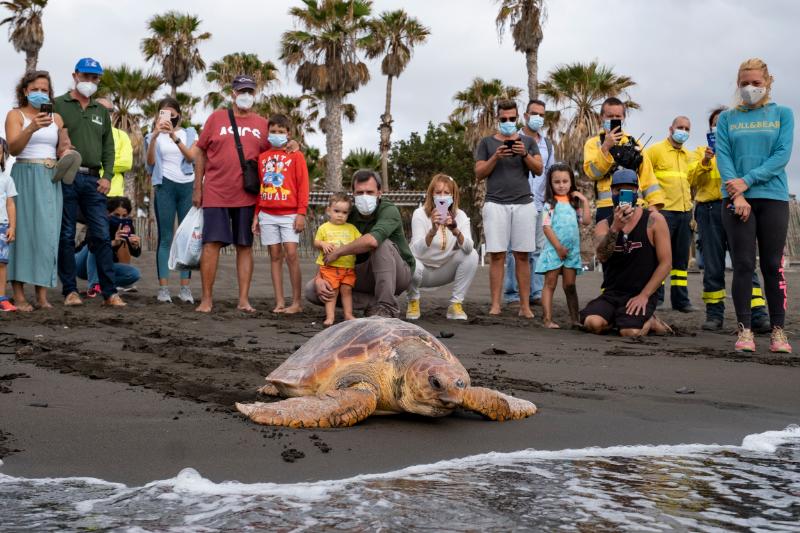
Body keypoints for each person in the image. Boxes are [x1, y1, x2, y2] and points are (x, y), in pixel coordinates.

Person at [717, 58, 794, 353]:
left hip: (772, 197)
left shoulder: (783, 114)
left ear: (768, 82)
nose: (750, 88)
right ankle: (745, 330)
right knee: (744, 266)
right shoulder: (727, 119)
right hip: (736, 198)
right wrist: (737, 195)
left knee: (773, 266)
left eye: (756, 83)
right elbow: (724, 158)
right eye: (744, 84)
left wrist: (747, 182)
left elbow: (781, 155)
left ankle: (777, 332)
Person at [688, 107, 770, 333]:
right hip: (709, 209)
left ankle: (758, 314)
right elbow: (691, 179)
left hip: (737, 205)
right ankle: (714, 314)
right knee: (713, 265)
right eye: (715, 123)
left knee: (745, 262)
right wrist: (705, 161)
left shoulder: (740, 151)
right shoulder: (698, 152)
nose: (719, 126)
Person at [193, 75, 267, 313]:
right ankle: (206, 299)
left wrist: (292, 145)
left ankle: (244, 299)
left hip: (247, 195)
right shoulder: (216, 118)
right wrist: (198, 187)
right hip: (216, 191)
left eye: (250, 91)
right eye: (241, 91)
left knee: (245, 245)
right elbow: (200, 153)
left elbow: (271, 155)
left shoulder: (262, 124)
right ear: (233, 93)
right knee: (211, 243)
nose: (246, 95)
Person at [55, 57, 125, 307]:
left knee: (102, 234)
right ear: (75, 76)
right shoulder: (58, 105)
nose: (90, 81)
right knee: (66, 234)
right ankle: (70, 291)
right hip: (67, 177)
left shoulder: (100, 111)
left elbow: (109, 147)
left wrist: (107, 177)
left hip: (95, 180)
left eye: (95, 78)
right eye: (86, 76)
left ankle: (109, 293)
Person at [4, 70, 76, 311]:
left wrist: (67, 151)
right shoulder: (15, 115)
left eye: (44, 90)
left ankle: (42, 294)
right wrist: (31, 127)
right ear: (25, 91)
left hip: (51, 177)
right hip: (24, 173)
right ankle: (19, 294)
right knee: (22, 234)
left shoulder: (56, 119)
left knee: (48, 235)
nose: (39, 93)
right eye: (34, 89)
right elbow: (13, 149)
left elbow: (63, 146)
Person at [305, 170, 414, 318]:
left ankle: (387, 307)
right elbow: (330, 247)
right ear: (353, 194)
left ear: (379, 193)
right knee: (312, 290)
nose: (365, 196)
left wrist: (339, 251)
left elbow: (372, 241)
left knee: (381, 244)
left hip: (397, 273)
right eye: (360, 192)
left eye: (370, 192)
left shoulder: (389, 210)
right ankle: (374, 304)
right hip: (362, 271)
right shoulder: (347, 213)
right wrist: (319, 278)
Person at [580, 169, 672, 336]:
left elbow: (666, 264)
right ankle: (618, 316)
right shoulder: (604, 225)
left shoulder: (654, 220)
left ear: (637, 192)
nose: (623, 194)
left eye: (629, 190)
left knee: (629, 332)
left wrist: (645, 295)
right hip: (613, 293)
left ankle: (650, 321)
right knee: (592, 323)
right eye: (618, 190)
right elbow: (602, 256)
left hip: (642, 293)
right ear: (612, 192)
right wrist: (616, 227)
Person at [474, 98, 543, 318]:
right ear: (498, 118)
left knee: (523, 255)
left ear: (517, 116)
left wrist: (524, 154)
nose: (508, 121)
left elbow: (540, 169)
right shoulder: (486, 143)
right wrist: (496, 156)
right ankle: (496, 304)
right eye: (504, 119)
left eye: (512, 118)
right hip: (495, 203)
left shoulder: (528, 142)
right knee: (497, 255)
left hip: (524, 202)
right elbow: (479, 173)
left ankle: (525, 306)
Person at [252, 113, 309, 314]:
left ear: (288, 133)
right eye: (273, 131)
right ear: (268, 133)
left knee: (292, 255)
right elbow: (262, 186)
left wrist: (301, 213)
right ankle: (279, 301)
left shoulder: (296, 155)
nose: (276, 134)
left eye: (280, 132)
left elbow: (303, 186)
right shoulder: (262, 158)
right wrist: (257, 214)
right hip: (267, 213)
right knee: (274, 256)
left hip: (290, 214)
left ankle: (296, 302)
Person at [645, 116, 702, 312]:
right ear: (671, 128)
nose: (683, 131)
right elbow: (643, 176)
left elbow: (692, 181)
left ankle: (681, 301)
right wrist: (649, 205)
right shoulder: (654, 150)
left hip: (685, 212)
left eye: (687, 128)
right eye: (680, 127)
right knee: (659, 257)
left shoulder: (689, 155)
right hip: (663, 212)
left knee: (680, 261)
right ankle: (657, 298)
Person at [145, 96, 197, 304]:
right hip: (165, 185)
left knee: (186, 238)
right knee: (166, 237)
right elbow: (150, 163)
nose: (168, 119)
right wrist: (156, 136)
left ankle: (185, 289)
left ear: (179, 117)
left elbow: (191, 157)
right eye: (164, 114)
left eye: (172, 115)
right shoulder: (152, 136)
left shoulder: (189, 133)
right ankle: (164, 288)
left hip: (187, 186)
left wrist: (174, 136)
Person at [504, 98, 555, 306]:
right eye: (534, 114)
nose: (538, 118)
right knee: (512, 251)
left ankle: (536, 292)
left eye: (542, 115)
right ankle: (512, 293)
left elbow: (551, 173)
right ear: (525, 116)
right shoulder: (513, 138)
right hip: (515, 202)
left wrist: (551, 205)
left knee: (538, 250)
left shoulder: (548, 144)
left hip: (541, 204)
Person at [407, 174, 478, 321]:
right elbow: (416, 251)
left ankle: (456, 304)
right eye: (438, 192)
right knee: (408, 260)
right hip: (421, 272)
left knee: (472, 255)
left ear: (453, 195)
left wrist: (455, 229)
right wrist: (432, 231)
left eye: (446, 193)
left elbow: (469, 248)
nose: (442, 197)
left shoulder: (460, 215)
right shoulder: (420, 214)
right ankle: (413, 300)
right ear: (431, 194)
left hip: (443, 271)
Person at [583, 97, 665, 222]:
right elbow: (593, 174)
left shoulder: (635, 143)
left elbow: (648, 176)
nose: (614, 119)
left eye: (618, 116)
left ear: (623, 118)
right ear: (601, 117)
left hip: (635, 205)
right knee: (609, 241)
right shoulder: (593, 144)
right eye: (610, 116)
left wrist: (654, 205)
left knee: (634, 242)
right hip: (607, 206)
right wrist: (605, 147)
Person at [535, 163, 590, 329]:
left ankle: (575, 319)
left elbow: (586, 221)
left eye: (565, 181)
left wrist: (585, 201)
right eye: (557, 182)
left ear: (571, 182)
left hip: (572, 252)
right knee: (550, 283)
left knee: (570, 285)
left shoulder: (575, 204)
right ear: (550, 184)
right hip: (554, 249)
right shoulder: (549, 204)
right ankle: (547, 319)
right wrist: (558, 247)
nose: (561, 185)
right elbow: (546, 227)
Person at [75, 196, 141, 294]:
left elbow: (136, 253)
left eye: (124, 215)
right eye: (116, 215)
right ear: (107, 212)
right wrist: (114, 242)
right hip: (81, 264)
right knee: (97, 245)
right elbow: (92, 246)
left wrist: (135, 245)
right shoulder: (98, 222)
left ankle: (102, 285)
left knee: (133, 274)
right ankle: (93, 286)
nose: (120, 218)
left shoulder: (127, 225)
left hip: (104, 265)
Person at [313, 192, 360, 326]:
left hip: (348, 267)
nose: (340, 215)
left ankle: (348, 314)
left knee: (347, 290)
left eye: (344, 212)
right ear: (328, 211)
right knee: (332, 292)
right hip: (330, 267)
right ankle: (330, 317)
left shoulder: (351, 228)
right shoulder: (324, 227)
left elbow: (360, 241)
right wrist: (323, 244)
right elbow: (316, 242)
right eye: (336, 211)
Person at [95, 98, 132, 198]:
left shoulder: (122, 135)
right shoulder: (85, 133)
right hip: (88, 191)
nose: (106, 113)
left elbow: (126, 164)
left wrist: (95, 164)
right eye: (101, 109)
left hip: (114, 194)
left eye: (110, 111)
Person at [0, 138, 17, 312]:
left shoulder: (6, 179)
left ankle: (2, 297)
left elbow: (10, 204)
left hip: (2, 226)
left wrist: (12, 227)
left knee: (1, 264)